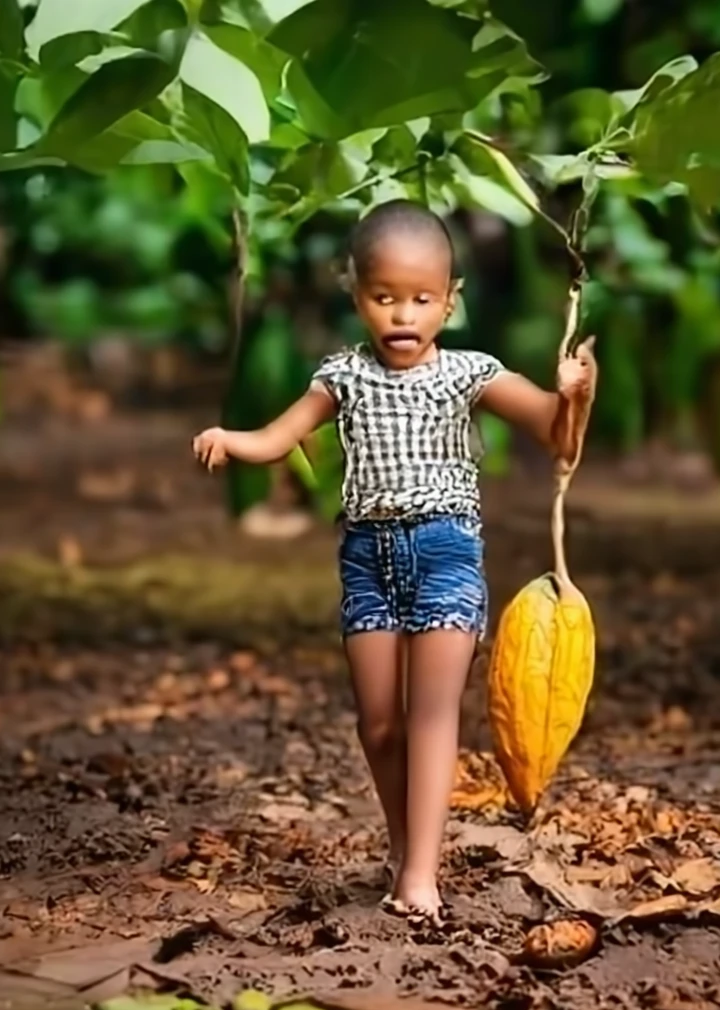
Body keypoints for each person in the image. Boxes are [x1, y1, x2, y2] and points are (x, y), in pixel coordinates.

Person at [193, 199, 595, 923]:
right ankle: (406, 844)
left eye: (420, 300)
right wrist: (232, 438)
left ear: (451, 302)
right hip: (367, 557)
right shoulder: (341, 376)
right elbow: (281, 435)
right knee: (377, 724)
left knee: (432, 715)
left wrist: (575, 393)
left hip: (445, 549)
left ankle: (420, 875)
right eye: (384, 299)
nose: (402, 316)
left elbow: (555, 436)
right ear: (355, 295)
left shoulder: (469, 373)